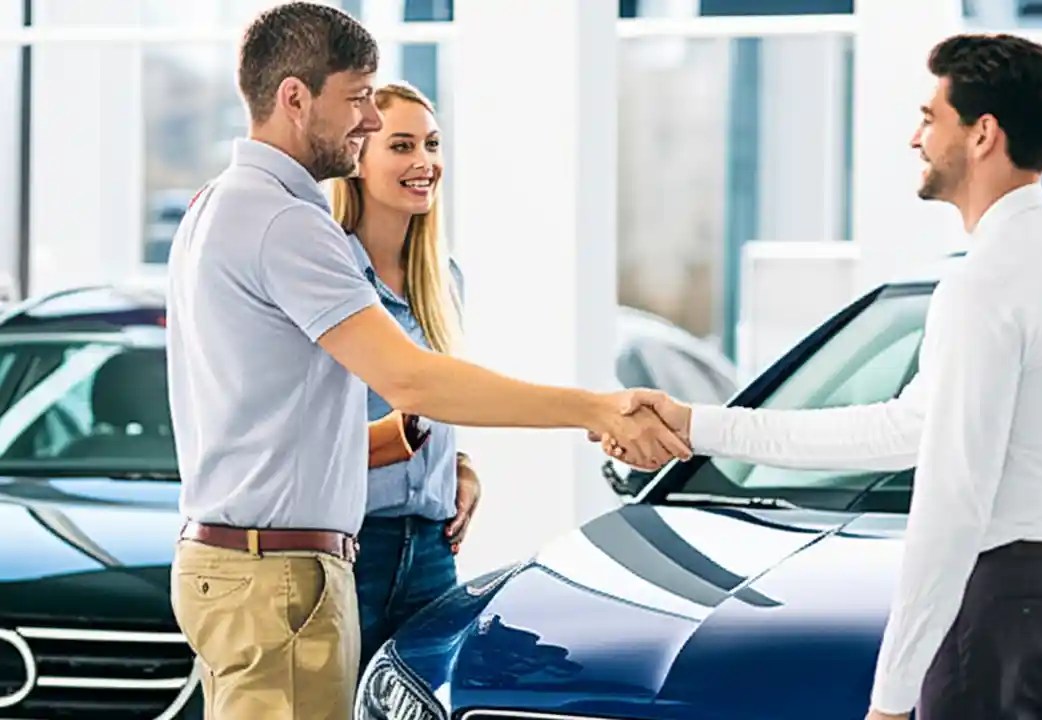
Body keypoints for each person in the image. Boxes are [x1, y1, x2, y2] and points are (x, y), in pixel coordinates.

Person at [164, 3, 688, 718]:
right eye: (356, 99)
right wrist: (596, 408)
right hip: (277, 572)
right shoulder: (286, 220)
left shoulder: (220, 204)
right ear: (294, 97)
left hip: (256, 564)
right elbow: (409, 378)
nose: (370, 122)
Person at [608, 33, 1042, 720]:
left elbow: (953, 499)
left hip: (996, 599)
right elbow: (905, 428)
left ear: (983, 134)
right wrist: (700, 425)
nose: (915, 138)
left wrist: (891, 695)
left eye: (931, 117)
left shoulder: (987, 282)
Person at [327, 80, 478, 670]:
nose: (424, 163)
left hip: (434, 550)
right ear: (357, 156)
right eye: (402, 146)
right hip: (352, 547)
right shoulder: (329, 273)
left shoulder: (446, 280)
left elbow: (439, 396)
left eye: (433, 145)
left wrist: (458, 465)